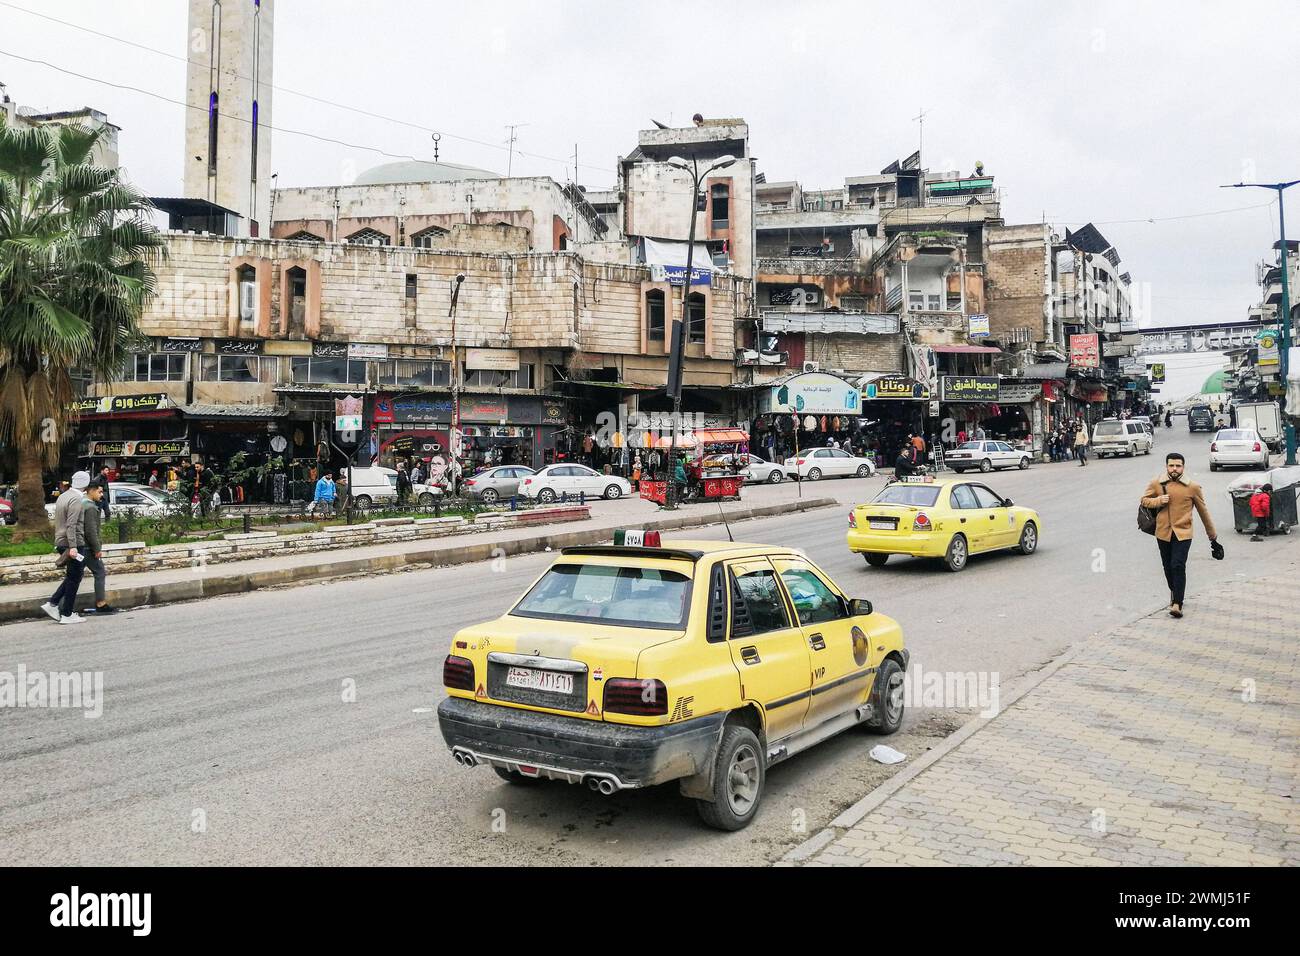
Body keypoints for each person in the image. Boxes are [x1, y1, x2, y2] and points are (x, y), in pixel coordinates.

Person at [1141, 452, 1220, 619]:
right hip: (1163, 533)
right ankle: (1175, 591)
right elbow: (1144, 500)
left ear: (1183, 467)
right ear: (1166, 466)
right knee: (1167, 567)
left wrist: (1212, 535)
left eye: (1178, 465)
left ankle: (1177, 603)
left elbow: (1203, 512)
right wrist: (1158, 500)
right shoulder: (1157, 483)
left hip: (1183, 533)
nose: (1174, 469)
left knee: (1177, 565)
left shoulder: (1193, 487)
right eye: (1171, 465)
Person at [41, 471, 90, 625]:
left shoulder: (64, 495)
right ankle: (67, 613)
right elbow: (71, 524)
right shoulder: (77, 499)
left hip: (62, 541)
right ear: (85, 484)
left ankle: (53, 604)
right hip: (72, 542)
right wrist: (74, 546)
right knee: (75, 577)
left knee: (72, 576)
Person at [80, 483, 119, 615]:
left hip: (79, 546)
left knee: (73, 577)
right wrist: (97, 548)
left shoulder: (80, 503)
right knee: (100, 572)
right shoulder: (90, 507)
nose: (101, 495)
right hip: (88, 548)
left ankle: (58, 604)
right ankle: (101, 603)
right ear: (91, 491)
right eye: (100, 492)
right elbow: (91, 531)